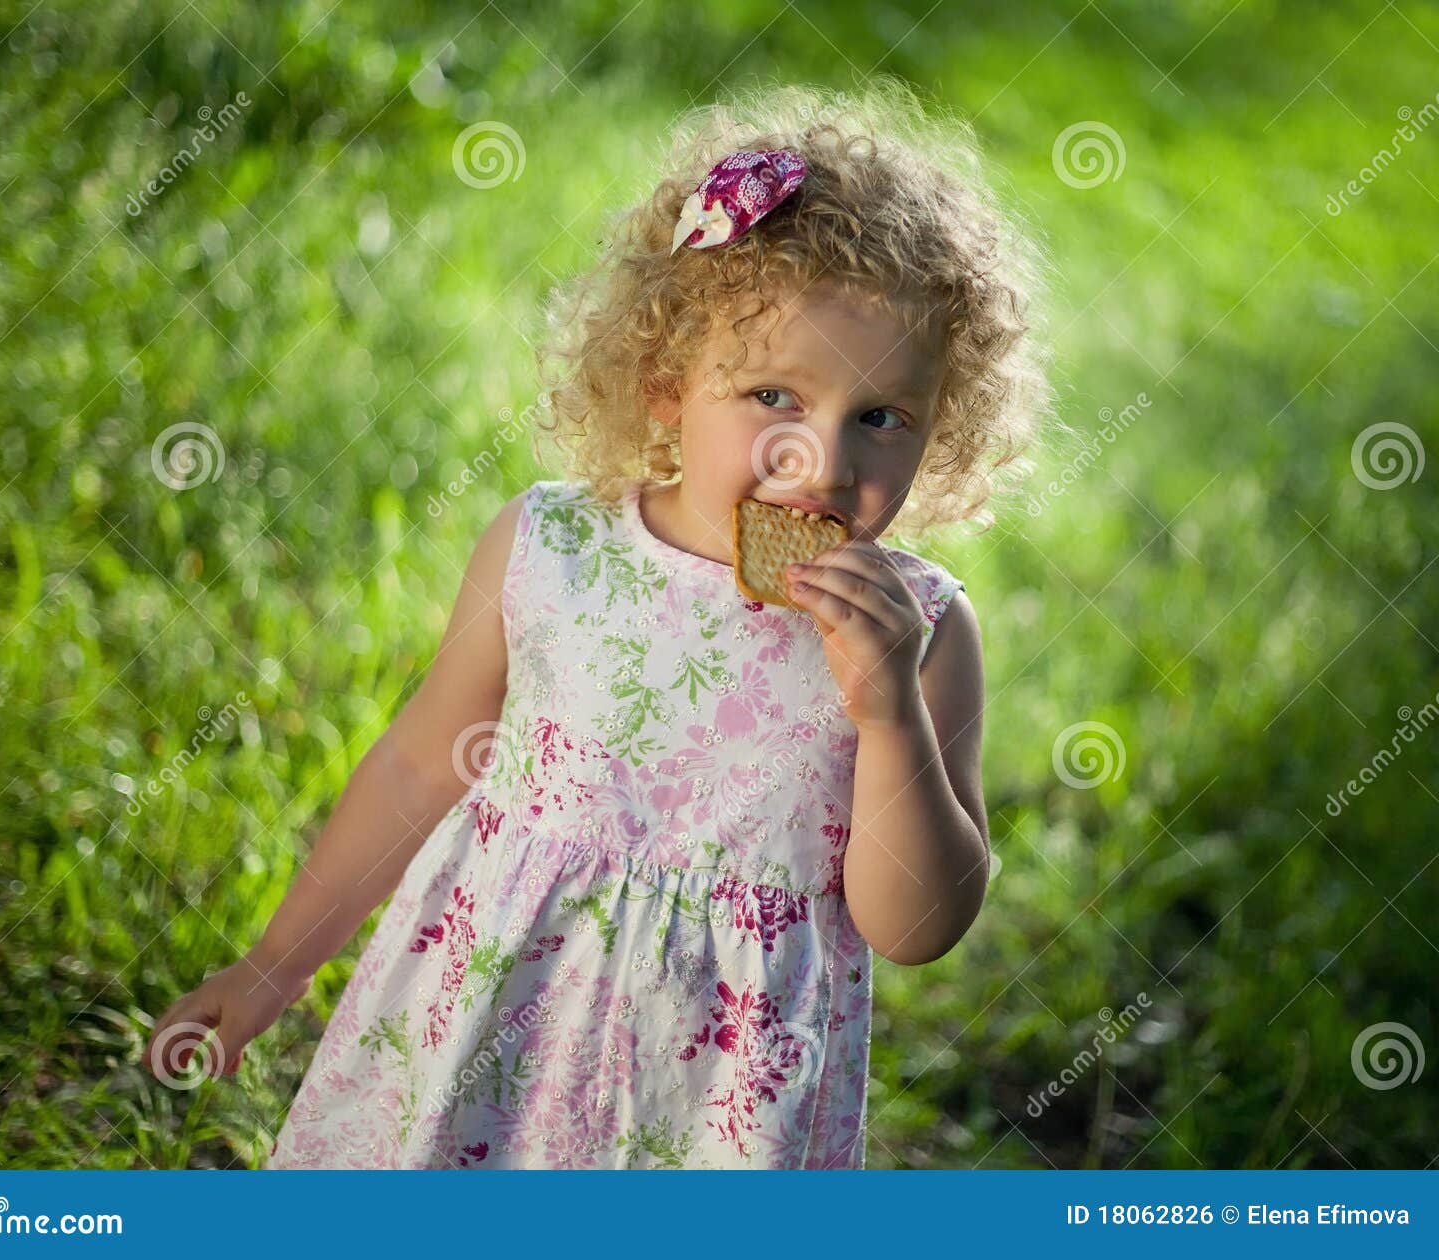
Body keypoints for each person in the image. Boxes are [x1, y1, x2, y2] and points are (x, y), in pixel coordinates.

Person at [143, 79, 1054, 1169]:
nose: (822, 462)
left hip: (717, 1111)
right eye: (772, 397)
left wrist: (891, 713)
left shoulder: (922, 634)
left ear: (937, 426)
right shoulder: (552, 550)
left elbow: (915, 929)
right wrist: (272, 968)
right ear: (668, 386)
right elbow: (420, 767)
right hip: (479, 1043)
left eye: (879, 418)